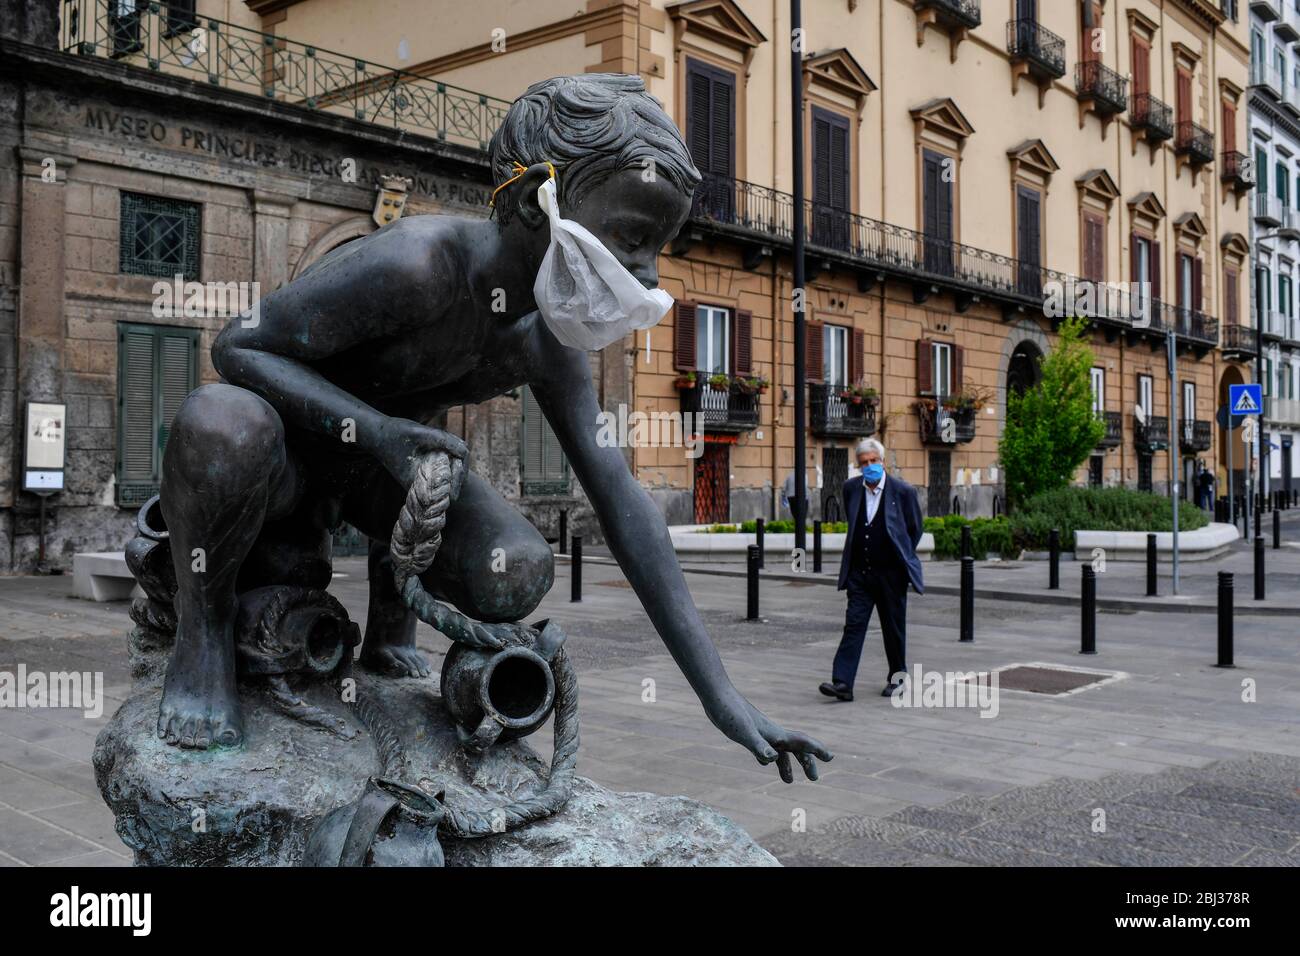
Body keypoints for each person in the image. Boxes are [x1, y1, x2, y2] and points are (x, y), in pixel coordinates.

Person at [156, 74, 830, 783]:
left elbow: (620, 497)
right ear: (544, 200)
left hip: (379, 479)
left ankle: (392, 631)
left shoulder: (545, 338)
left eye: (656, 246)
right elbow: (238, 346)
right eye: (633, 236)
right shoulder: (418, 262)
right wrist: (376, 431)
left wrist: (722, 699)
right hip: (292, 458)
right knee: (221, 421)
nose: (645, 269)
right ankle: (202, 634)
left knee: (518, 570)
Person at [819, 438, 924, 701]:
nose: (869, 466)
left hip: (891, 574)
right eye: (864, 463)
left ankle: (897, 678)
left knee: (893, 628)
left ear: (882, 461)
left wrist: (900, 554)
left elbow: (914, 529)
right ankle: (842, 683)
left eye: (873, 461)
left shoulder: (903, 492)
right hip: (860, 574)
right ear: (858, 465)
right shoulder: (851, 488)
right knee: (853, 625)